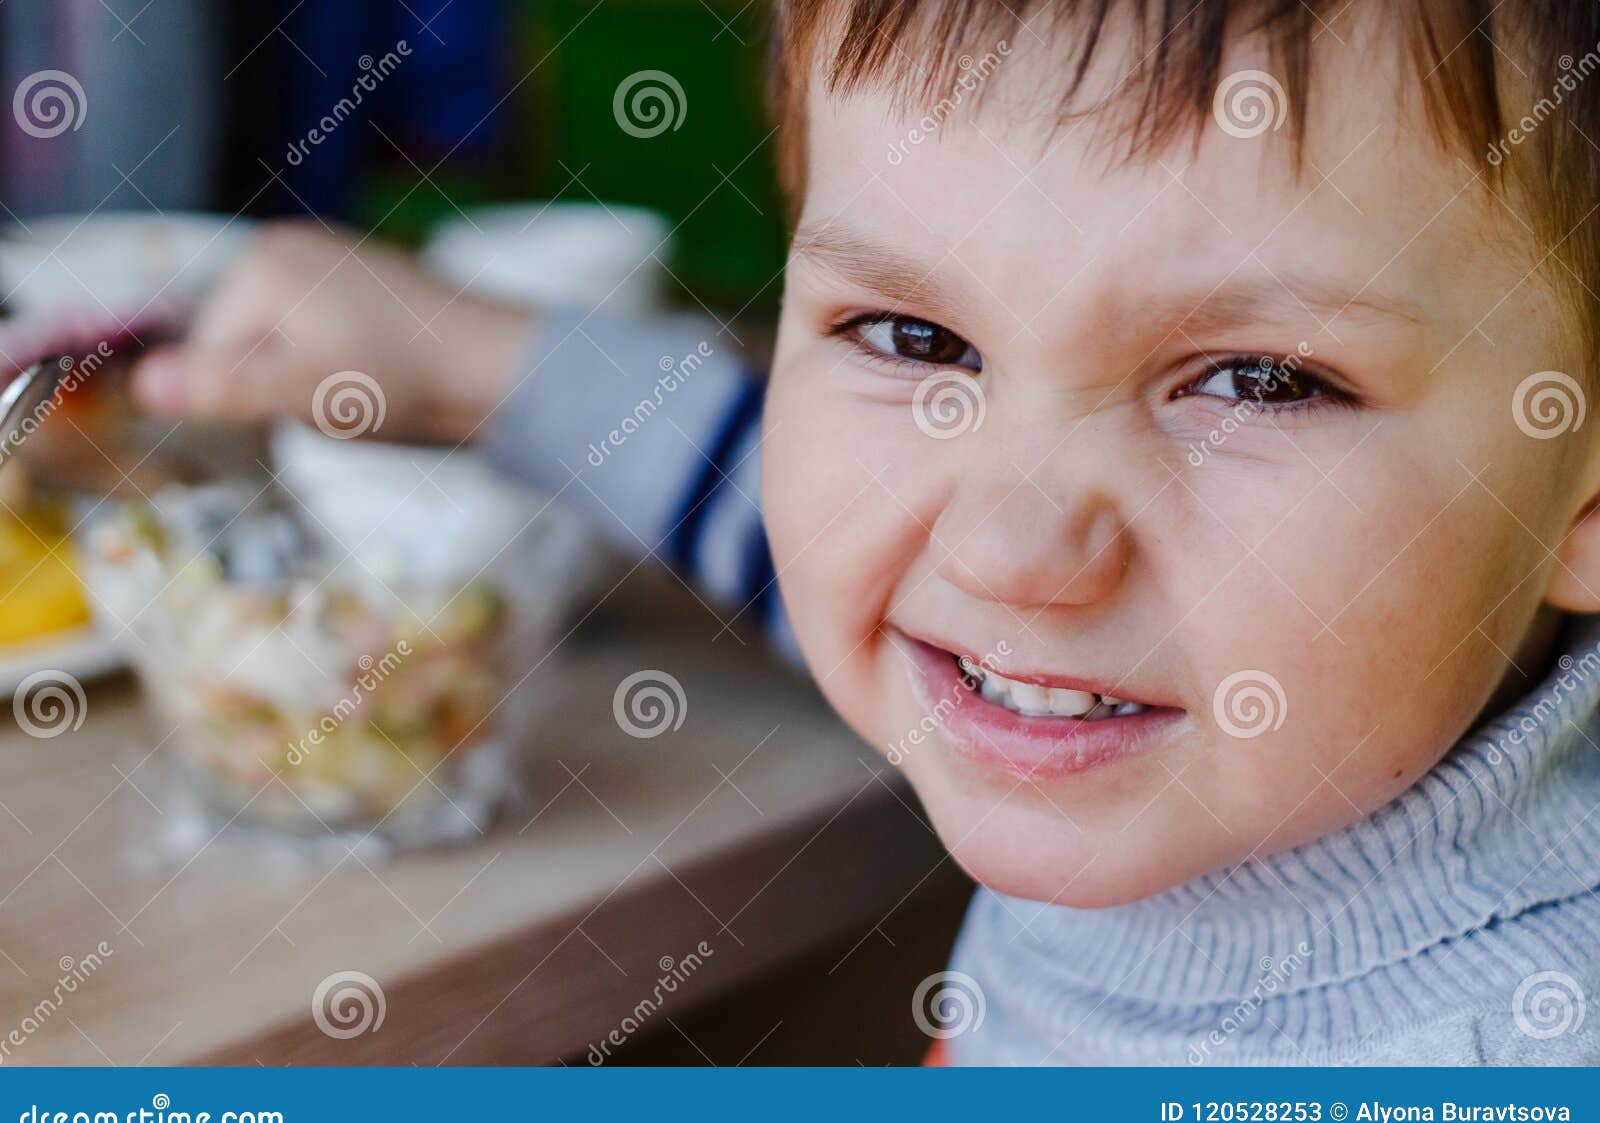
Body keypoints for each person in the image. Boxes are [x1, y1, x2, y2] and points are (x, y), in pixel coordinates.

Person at [132, 1, 1600, 1064]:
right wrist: (469, 356)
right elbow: (770, 510)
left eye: (1259, 380)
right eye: (915, 337)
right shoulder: (1156, 700)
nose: (1004, 554)